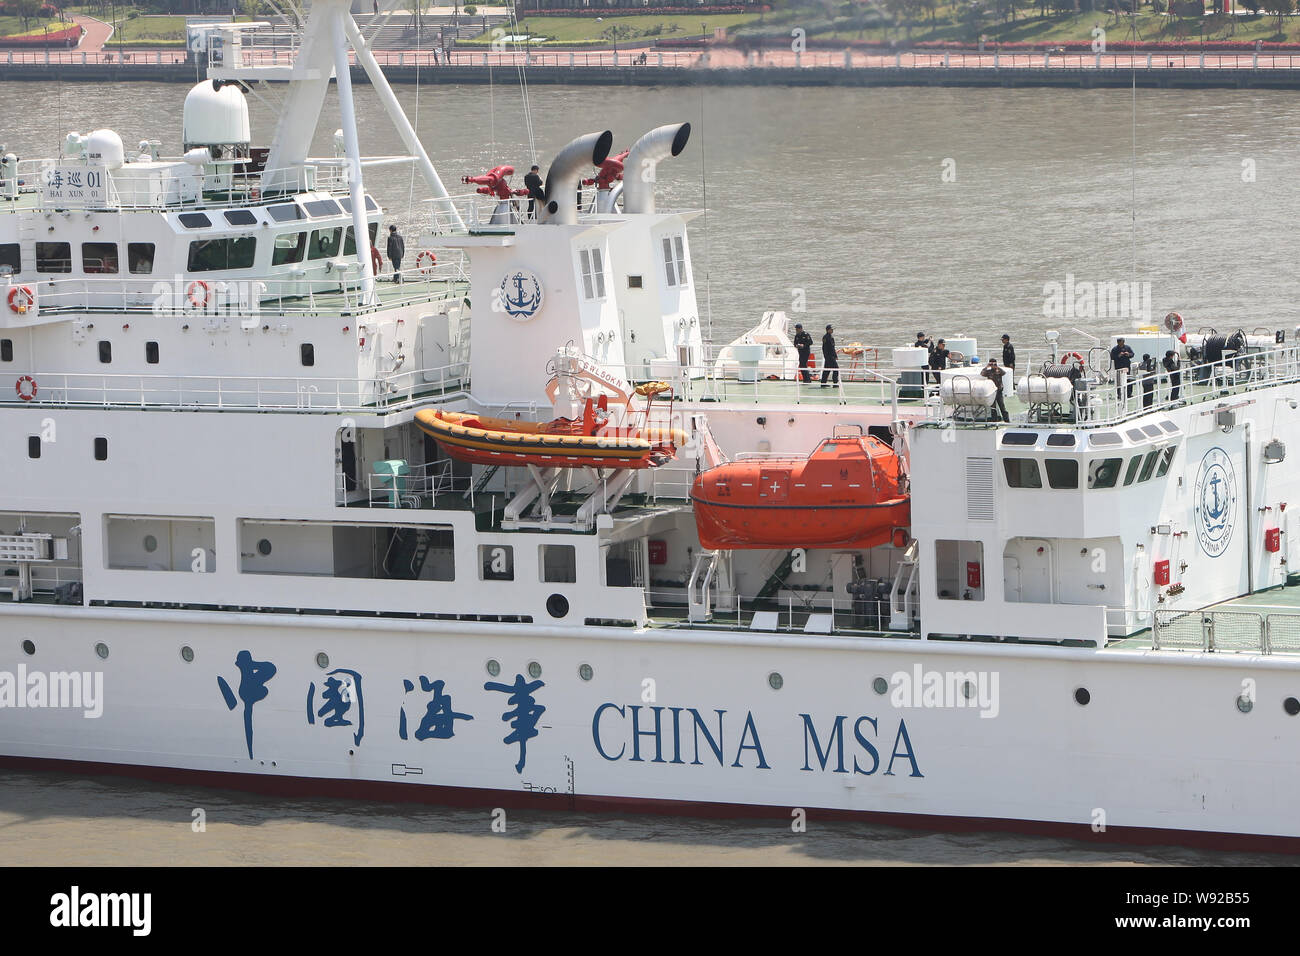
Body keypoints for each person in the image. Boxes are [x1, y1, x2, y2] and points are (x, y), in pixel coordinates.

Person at [982, 357, 1009, 422]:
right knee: (993, 407)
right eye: (992, 364)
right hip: (991, 391)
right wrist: (987, 366)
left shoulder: (998, 370)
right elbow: (982, 373)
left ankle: (1007, 420)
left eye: (994, 364)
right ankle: (994, 421)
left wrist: (997, 367)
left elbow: (1004, 373)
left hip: (999, 391)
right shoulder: (988, 371)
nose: (993, 365)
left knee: (1002, 406)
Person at [1110, 337, 1135, 401]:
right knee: (1119, 381)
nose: (1121, 344)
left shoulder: (1127, 347)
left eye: (1122, 343)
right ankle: (1119, 394)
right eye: (1120, 343)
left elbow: (1132, 354)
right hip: (1119, 367)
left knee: (1128, 379)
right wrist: (1118, 356)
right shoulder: (1115, 349)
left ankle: (1129, 394)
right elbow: (1112, 357)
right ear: (1118, 342)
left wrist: (1128, 354)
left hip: (1126, 366)